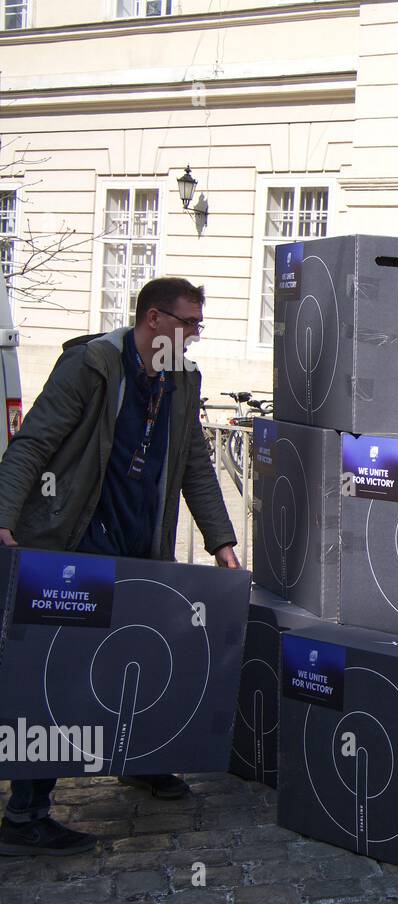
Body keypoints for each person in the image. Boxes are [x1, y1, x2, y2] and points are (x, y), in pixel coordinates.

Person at [0, 277, 240, 856]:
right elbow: (33, 443)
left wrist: (222, 542)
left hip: (141, 543)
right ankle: (26, 814)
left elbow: (194, 465)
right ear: (154, 319)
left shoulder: (182, 380)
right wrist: (4, 516)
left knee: (146, 654)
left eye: (198, 324)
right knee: (57, 672)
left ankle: (141, 761)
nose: (194, 334)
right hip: (76, 540)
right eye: (188, 323)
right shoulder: (91, 366)